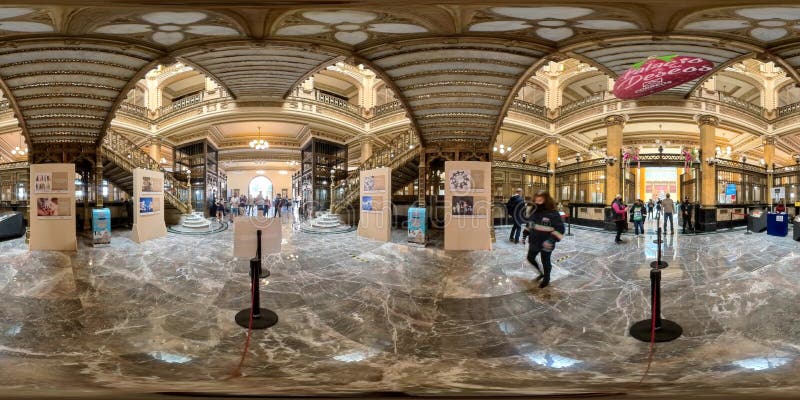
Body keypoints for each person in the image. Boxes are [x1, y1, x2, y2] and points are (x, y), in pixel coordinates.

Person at [523, 190, 565, 289]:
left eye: (540, 200)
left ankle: (546, 278)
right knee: (530, 257)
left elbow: (560, 229)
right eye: (536, 200)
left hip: (547, 243)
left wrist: (551, 240)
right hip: (534, 240)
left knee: (545, 260)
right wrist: (526, 232)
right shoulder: (534, 210)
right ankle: (541, 273)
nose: (537, 202)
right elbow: (530, 222)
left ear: (546, 200)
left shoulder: (553, 213)